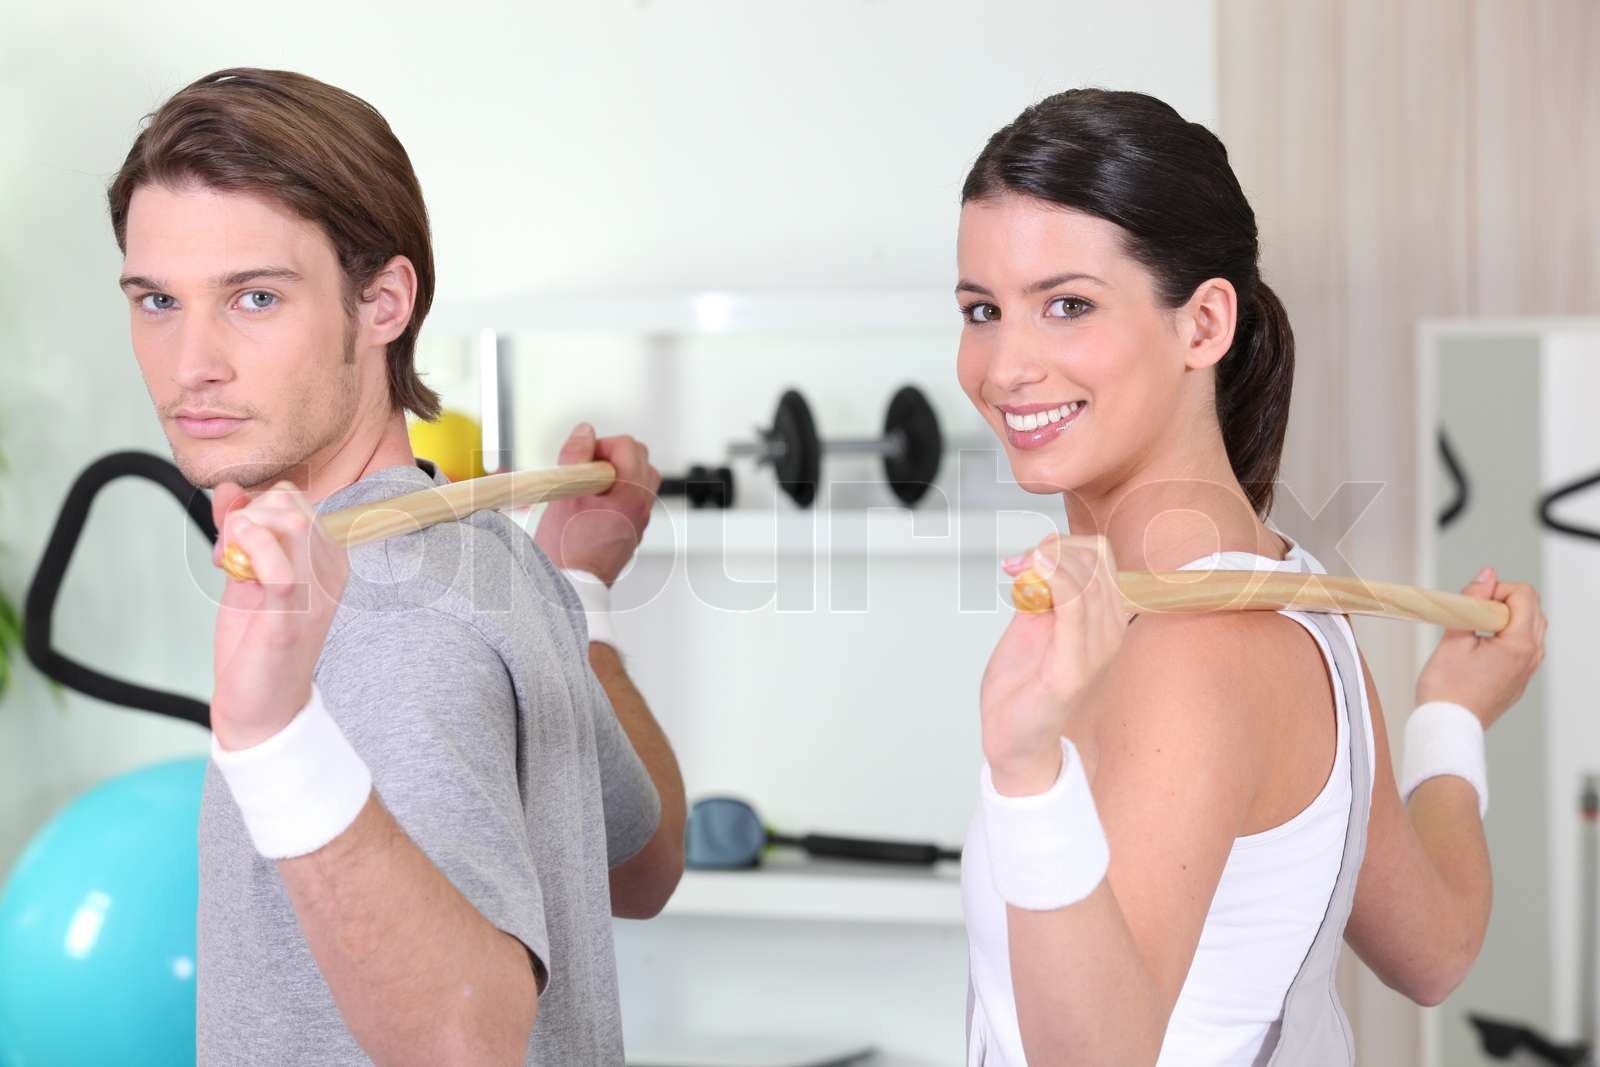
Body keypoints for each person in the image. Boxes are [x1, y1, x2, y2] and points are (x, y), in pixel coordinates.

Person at [956, 89, 1547, 1065]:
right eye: (982, 309)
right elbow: (1435, 949)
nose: (1004, 364)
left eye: (1066, 304)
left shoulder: (1196, 652)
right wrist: (1451, 718)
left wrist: (1026, 771)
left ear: (1202, 325)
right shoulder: (1288, 594)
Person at [107, 68, 686, 1065]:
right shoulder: (490, 562)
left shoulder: (386, 615)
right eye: (158, 299)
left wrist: (273, 734)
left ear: (381, 301)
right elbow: (642, 865)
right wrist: (582, 589)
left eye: (253, 297)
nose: (189, 358)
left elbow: (468, 1043)